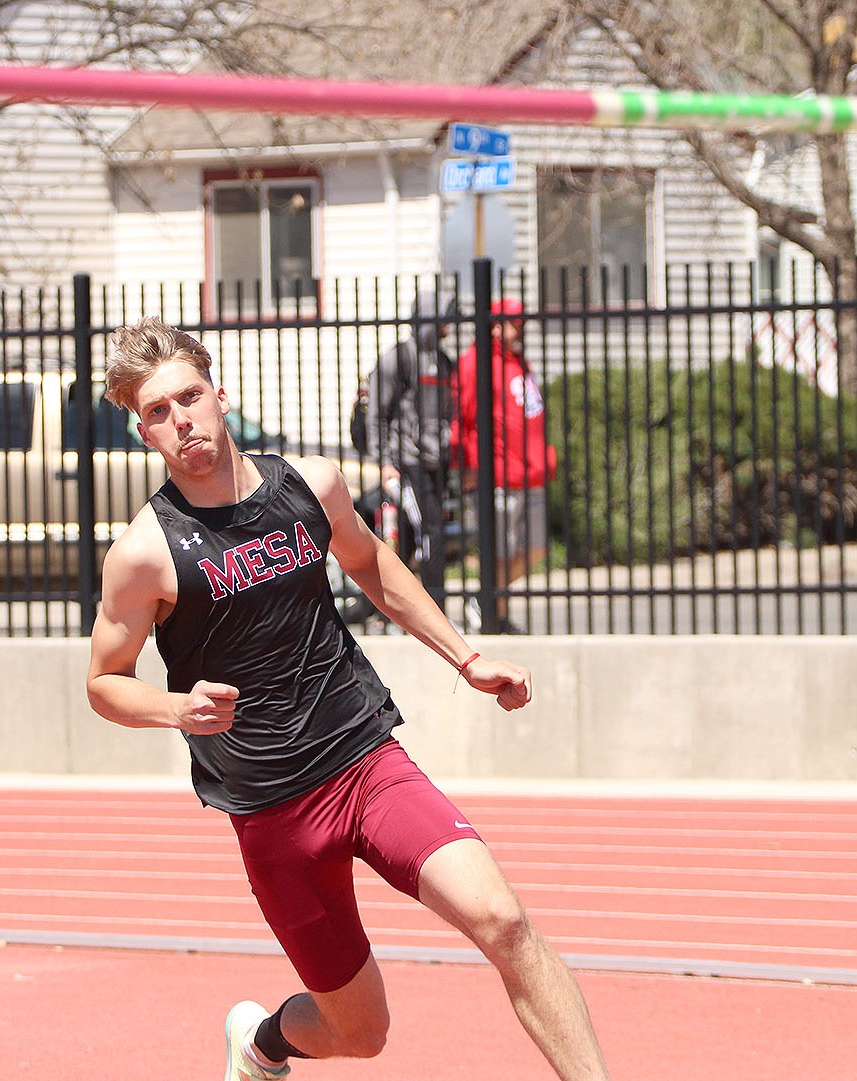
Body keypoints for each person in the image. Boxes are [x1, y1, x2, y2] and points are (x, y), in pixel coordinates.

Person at [83, 318, 611, 1081]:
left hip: (365, 760)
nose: (181, 420)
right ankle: (261, 1046)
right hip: (274, 810)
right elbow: (104, 682)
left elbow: (375, 566)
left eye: (189, 397)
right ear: (144, 434)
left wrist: (465, 656)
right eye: (158, 412)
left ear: (220, 395)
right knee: (361, 1032)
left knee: (503, 917)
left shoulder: (312, 484)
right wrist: (175, 707)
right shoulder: (145, 553)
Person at [451, 297, 556, 631]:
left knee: (536, 549)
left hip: (531, 473)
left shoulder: (519, 361)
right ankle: (495, 612)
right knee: (499, 552)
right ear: (494, 326)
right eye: (513, 323)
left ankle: (485, 598)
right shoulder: (474, 363)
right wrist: (466, 465)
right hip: (499, 474)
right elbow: (462, 419)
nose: (519, 329)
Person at [364, 288, 459, 603]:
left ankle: (400, 607)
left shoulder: (445, 362)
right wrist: (384, 462)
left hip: (438, 463)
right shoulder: (400, 358)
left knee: (420, 535)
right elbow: (378, 413)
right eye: (443, 320)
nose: (449, 327)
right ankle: (429, 604)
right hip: (408, 463)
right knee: (421, 533)